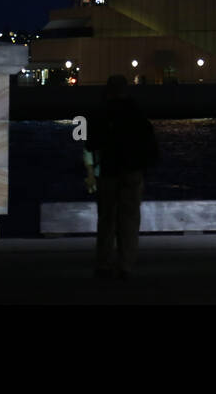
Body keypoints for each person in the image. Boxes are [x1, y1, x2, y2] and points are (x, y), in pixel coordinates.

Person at [84, 74, 159, 278]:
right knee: (129, 219)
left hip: (109, 170)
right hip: (133, 170)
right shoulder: (136, 112)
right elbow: (149, 141)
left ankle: (104, 262)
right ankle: (125, 263)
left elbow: (91, 143)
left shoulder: (102, 112)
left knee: (107, 218)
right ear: (126, 89)